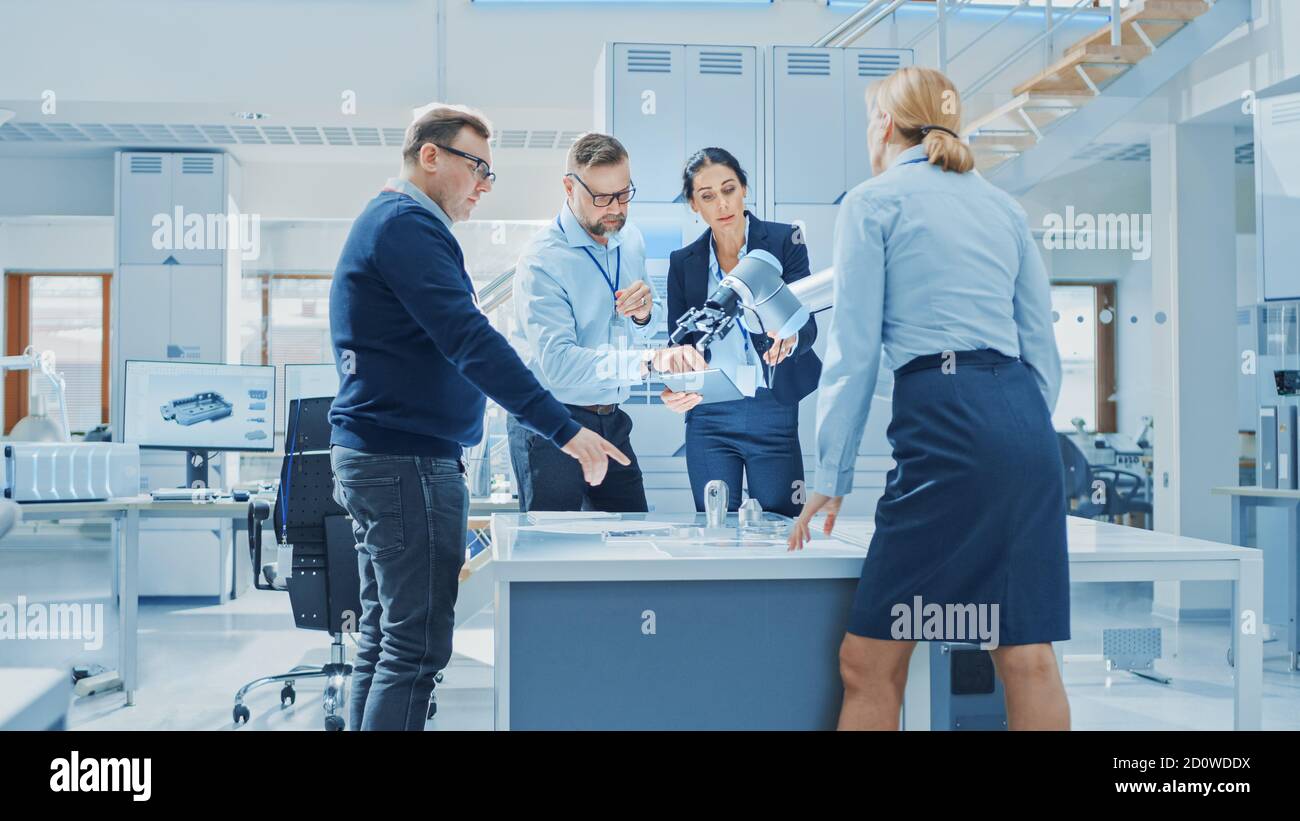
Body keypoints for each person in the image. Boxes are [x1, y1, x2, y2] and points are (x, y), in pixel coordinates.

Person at [787, 67, 1071, 731]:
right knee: (1025, 651)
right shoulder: (1002, 207)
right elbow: (1042, 348)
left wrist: (829, 475)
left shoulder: (873, 201)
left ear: (885, 124)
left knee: (870, 662)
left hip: (947, 419)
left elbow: (852, 354)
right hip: (1024, 419)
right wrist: (1014, 427)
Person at [329, 105, 629, 731]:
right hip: (405, 461)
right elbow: (470, 341)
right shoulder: (407, 226)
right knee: (414, 647)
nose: (486, 185)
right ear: (431, 156)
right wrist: (567, 430)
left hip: (384, 455)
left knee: (387, 639)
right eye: (479, 168)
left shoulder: (395, 223)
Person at [508, 133, 706, 512]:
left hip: (611, 419)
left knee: (632, 542)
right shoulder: (542, 260)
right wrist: (648, 363)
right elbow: (560, 365)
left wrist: (647, 313)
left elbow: (647, 324)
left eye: (623, 194)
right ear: (569, 187)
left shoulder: (629, 238)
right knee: (552, 555)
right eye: (601, 198)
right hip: (551, 424)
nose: (615, 209)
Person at [662, 147, 821, 518]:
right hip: (710, 415)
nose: (722, 204)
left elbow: (807, 321)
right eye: (707, 196)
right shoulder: (683, 263)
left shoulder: (785, 241)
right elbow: (678, 346)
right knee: (714, 528)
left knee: (784, 524)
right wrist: (675, 383)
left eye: (729, 189)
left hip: (774, 410)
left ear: (745, 189)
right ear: (693, 205)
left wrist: (792, 337)